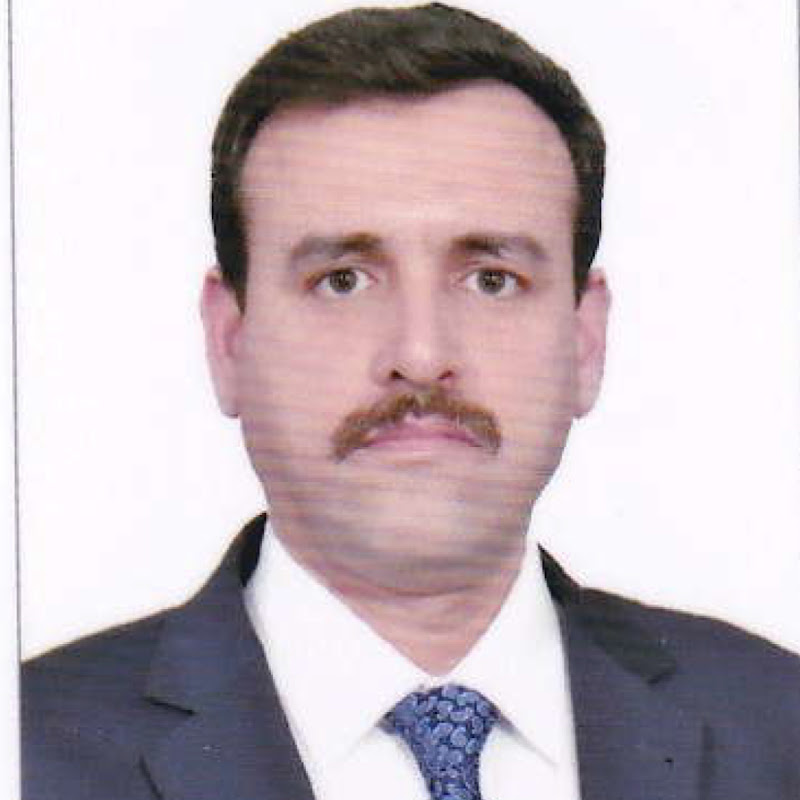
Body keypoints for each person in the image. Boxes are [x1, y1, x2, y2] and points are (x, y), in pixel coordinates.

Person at [21, 4, 800, 799]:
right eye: (342, 280)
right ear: (229, 340)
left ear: (584, 341)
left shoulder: (780, 728)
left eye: (492, 279)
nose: (420, 356)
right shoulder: (27, 752)